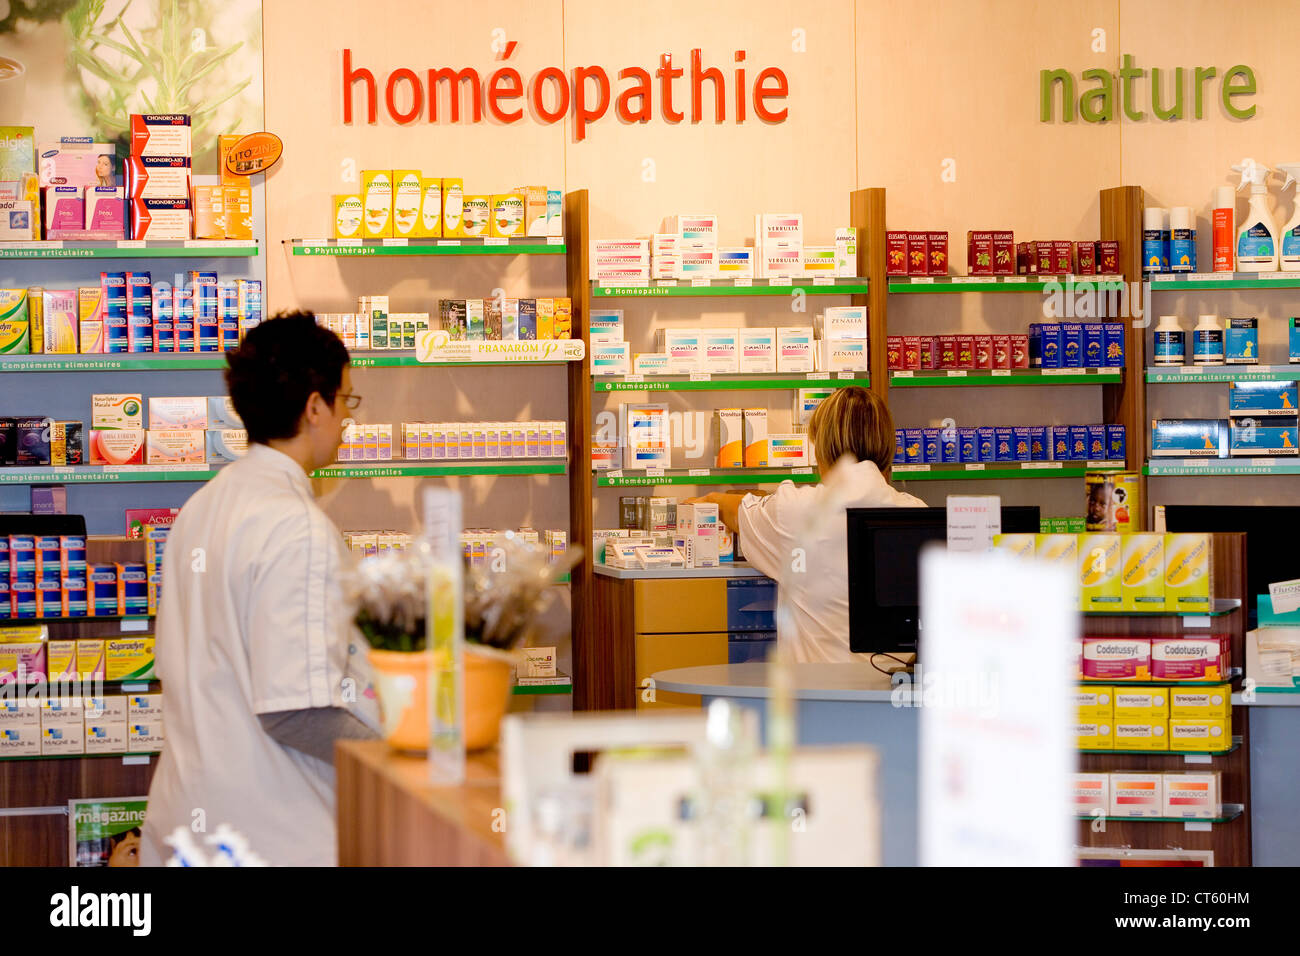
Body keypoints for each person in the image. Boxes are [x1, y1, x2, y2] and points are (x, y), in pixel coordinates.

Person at [140, 313, 380, 867]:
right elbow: (294, 711)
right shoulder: (296, 525)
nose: (346, 419)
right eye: (346, 400)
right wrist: (399, 758)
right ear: (315, 406)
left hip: (191, 817)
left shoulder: (204, 506)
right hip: (271, 832)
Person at [688, 387, 923, 663]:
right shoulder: (916, 513)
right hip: (892, 696)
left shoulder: (794, 510)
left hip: (817, 698)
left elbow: (727, 510)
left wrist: (703, 502)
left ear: (821, 447)